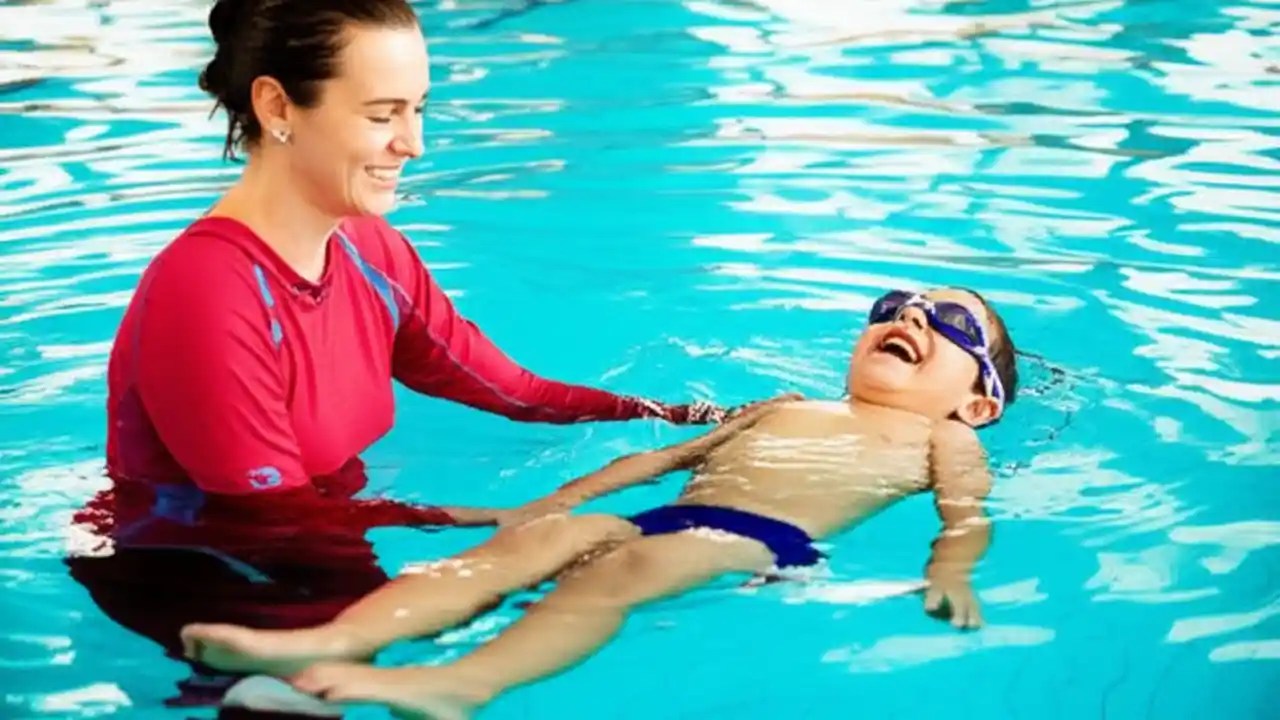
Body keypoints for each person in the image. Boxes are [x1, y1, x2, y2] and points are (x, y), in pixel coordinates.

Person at [68, 0, 728, 708]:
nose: (413, 143)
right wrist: (475, 524)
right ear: (276, 106)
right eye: (383, 114)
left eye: (419, 110)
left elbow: (512, 389)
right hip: (207, 577)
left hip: (322, 544)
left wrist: (684, 415)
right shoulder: (207, 290)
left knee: (588, 567)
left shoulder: (368, 250)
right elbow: (270, 517)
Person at [179, 287, 1020, 719]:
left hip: (764, 540)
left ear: (976, 402)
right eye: (892, 307)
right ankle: (331, 642)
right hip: (668, 513)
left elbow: (964, 509)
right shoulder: (786, 405)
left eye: (947, 319)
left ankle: (459, 686)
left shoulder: (945, 439)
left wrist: (953, 571)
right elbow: (658, 458)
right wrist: (550, 502)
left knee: (633, 566)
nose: (909, 313)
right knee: (532, 548)